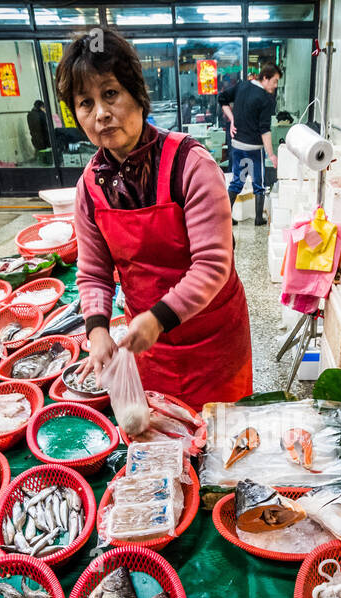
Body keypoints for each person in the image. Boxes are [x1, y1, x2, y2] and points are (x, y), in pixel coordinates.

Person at [63, 27, 253, 409]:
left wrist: (157, 318)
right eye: (85, 103)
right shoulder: (90, 186)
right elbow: (94, 272)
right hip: (150, 347)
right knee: (162, 449)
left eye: (111, 93)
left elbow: (213, 265)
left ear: (137, 93)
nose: (101, 113)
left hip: (213, 342)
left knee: (222, 448)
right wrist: (97, 330)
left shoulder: (190, 164)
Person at [220, 63, 281, 225]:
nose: (275, 86)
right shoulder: (265, 99)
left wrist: (232, 119)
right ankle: (259, 218)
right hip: (254, 150)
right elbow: (264, 130)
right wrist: (271, 154)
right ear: (265, 78)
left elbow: (222, 99)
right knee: (258, 183)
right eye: (274, 81)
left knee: (237, 181)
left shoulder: (242, 86)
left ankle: (225, 217)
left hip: (238, 146)